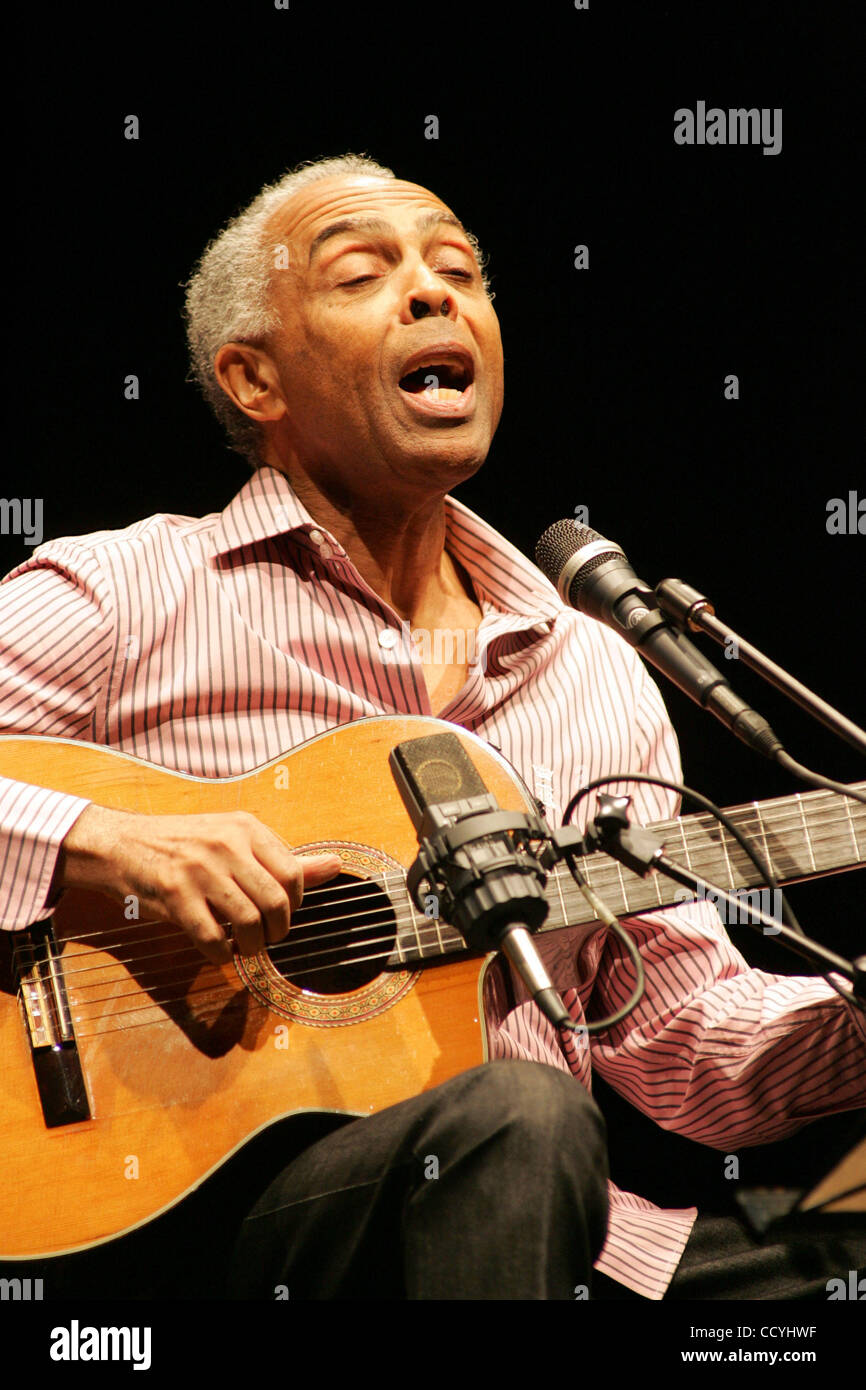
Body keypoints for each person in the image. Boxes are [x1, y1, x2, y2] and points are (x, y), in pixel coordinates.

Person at [0, 154, 863, 1301]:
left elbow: (673, 1044)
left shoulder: (594, 669)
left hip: (555, 1223)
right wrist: (102, 841)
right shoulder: (123, 593)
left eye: (459, 270)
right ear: (254, 379)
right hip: (208, 1218)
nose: (432, 293)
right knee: (519, 1114)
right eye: (364, 272)